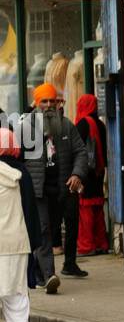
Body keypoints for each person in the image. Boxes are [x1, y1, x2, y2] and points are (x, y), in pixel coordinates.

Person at [21, 83, 88, 291]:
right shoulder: (25, 127)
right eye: (44, 101)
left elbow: (81, 152)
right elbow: (16, 157)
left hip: (60, 188)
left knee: (53, 228)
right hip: (37, 189)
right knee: (43, 230)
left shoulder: (67, 126)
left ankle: (40, 274)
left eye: (52, 101)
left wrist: (77, 174)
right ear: (36, 103)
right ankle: (50, 275)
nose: (49, 105)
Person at [0, 125, 41, 322]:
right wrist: (35, 241)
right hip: (18, 240)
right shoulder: (23, 175)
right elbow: (31, 210)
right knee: (17, 288)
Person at [74, 95, 109, 256]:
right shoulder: (101, 124)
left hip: (85, 171)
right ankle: (101, 243)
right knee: (97, 209)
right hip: (98, 171)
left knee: (85, 209)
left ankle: (86, 245)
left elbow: (77, 148)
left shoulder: (83, 123)